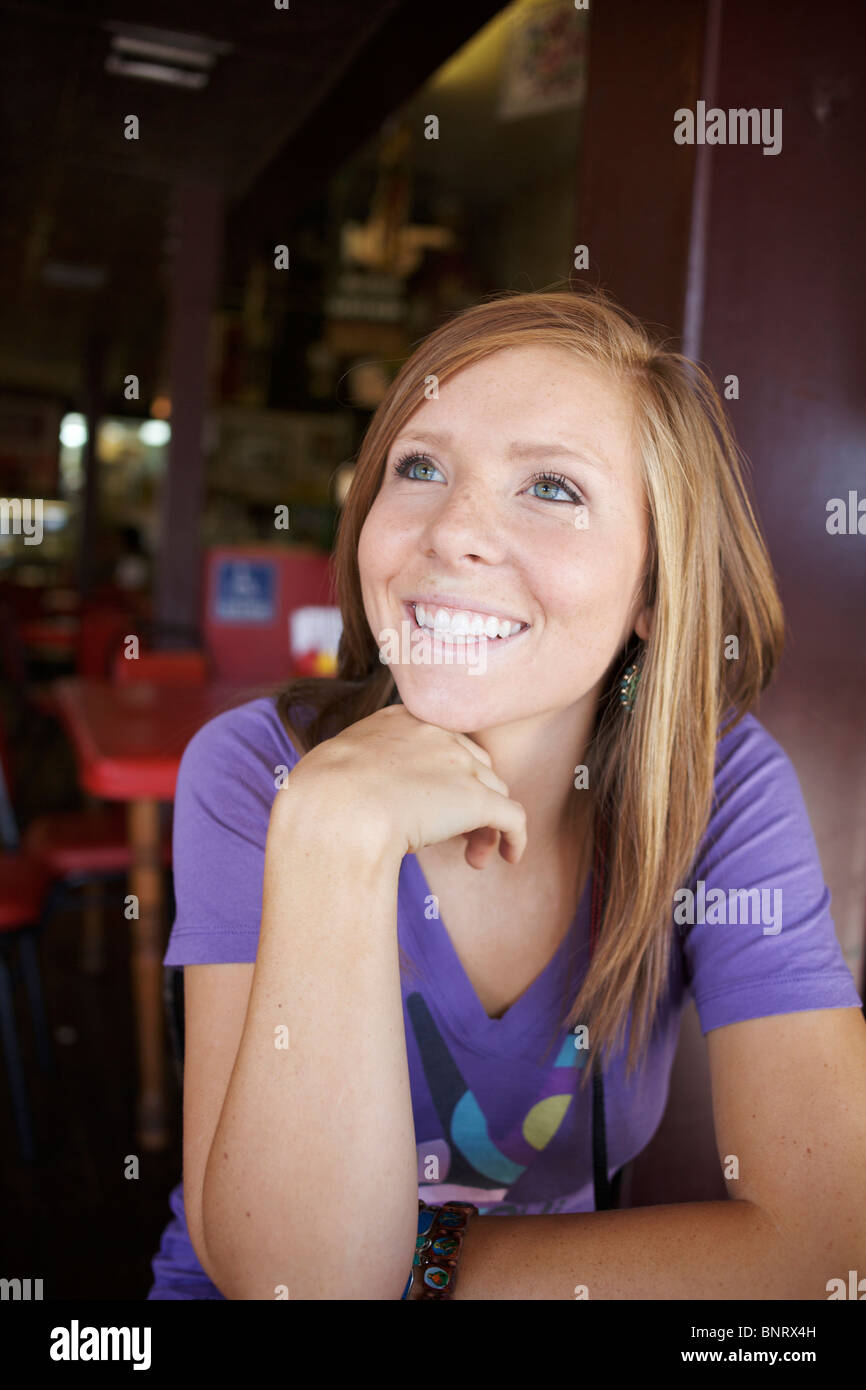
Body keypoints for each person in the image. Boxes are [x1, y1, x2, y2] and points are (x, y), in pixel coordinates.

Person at [147, 287, 865, 1300]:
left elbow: (829, 1249)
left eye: (552, 489)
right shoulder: (253, 771)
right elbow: (292, 1288)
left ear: (655, 591)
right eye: (420, 467)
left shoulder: (718, 788)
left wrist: (412, 1272)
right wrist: (334, 829)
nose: (451, 532)